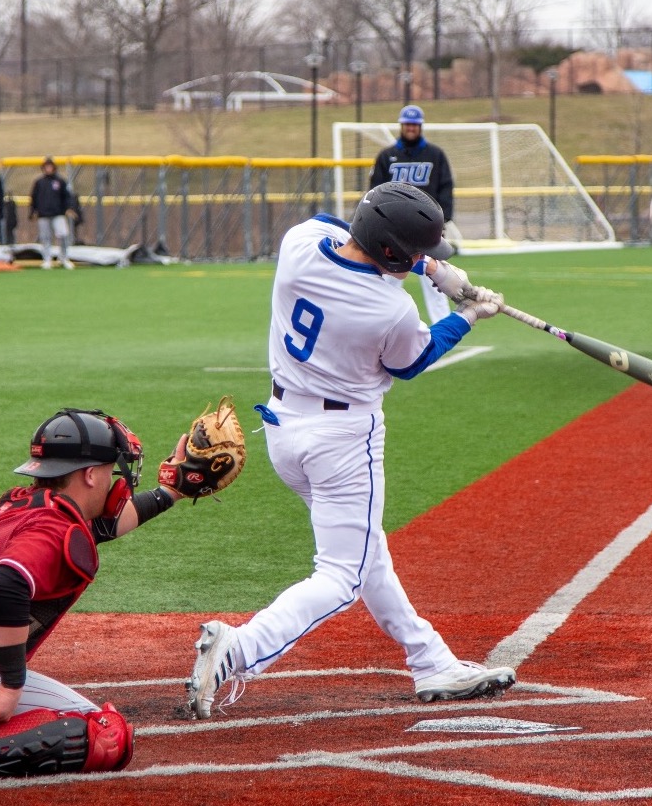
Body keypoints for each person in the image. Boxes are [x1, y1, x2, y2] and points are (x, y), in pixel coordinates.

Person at [185, 182, 516, 720]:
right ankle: (239, 648)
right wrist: (468, 314)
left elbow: (339, 228)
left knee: (368, 553)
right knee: (342, 575)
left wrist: (434, 269)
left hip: (284, 429)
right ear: (394, 253)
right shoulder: (390, 308)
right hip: (341, 442)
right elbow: (412, 362)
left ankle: (430, 660)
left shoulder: (299, 244)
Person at [0, 407, 232, 782]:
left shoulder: (21, 503)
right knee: (105, 733)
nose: (115, 480)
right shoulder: (53, 527)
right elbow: (6, 585)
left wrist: (171, 492)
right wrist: (10, 685)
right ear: (90, 474)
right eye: (111, 469)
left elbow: (98, 528)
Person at [368, 105, 458, 324]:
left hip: (427, 229)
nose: (411, 128)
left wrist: (442, 220)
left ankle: (442, 327)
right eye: (407, 124)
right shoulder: (387, 156)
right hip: (394, 230)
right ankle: (382, 324)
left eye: (415, 124)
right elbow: (375, 191)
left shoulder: (435, 155)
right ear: (401, 125)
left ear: (420, 126)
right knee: (389, 280)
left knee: (435, 282)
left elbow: (446, 188)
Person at [29, 156, 79, 270]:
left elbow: (67, 197)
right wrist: (33, 212)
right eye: (46, 167)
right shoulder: (39, 182)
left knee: (63, 235)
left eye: (50, 166)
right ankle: (47, 259)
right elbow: (34, 198)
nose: (48, 168)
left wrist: (69, 208)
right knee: (45, 237)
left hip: (58, 214)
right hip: (43, 215)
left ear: (54, 167)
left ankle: (63, 258)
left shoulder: (60, 181)